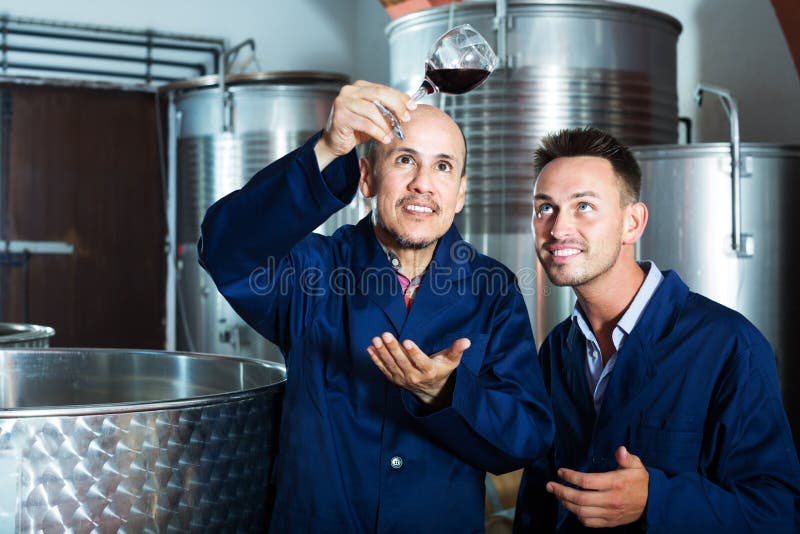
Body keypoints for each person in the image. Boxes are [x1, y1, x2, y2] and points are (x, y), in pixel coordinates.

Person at [198, 80, 554, 533]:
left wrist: (446, 394)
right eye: (405, 160)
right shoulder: (314, 271)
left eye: (442, 167)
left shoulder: (492, 290)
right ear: (366, 177)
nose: (423, 184)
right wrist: (328, 148)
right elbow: (225, 248)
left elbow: (527, 437)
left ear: (460, 193)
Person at [514, 127, 800, 532]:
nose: (558, 229)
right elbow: (536, 503)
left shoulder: (728, 345)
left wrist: (656, 500)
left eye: (584, 206)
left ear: (632, 223)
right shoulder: (557, 349)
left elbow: (779, 514)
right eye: (545, 208)